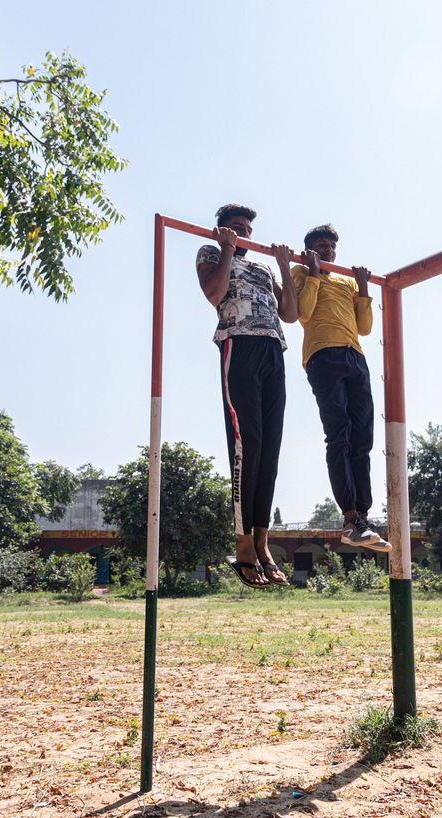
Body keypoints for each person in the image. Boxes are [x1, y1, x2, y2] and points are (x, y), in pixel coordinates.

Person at [196, 203, 299, 588]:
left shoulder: (263, 267)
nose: (242, 234)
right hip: (238, 345)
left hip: (273, 349)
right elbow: (213, 293)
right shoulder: (210, 253)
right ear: (221, 230)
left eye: (246, 229)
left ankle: (262, 540)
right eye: (235, 228)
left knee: (270, 448)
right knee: (247, 442)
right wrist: (225, 249)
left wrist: (286, 269)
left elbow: (289, 313)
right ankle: (242, 544)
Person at [273, 224, 390, 552]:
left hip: (355, 356)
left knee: (363, 437)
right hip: (323, 354)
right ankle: (349, 514)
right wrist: (312, 273)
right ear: (309, 249)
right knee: (339, 433)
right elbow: (302, 314)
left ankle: (363, 518)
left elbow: (365, 328)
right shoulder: (299, 272)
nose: (328, 252)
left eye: (331, 247)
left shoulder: (345, 278)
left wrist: (364, 289)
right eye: (321, 246)